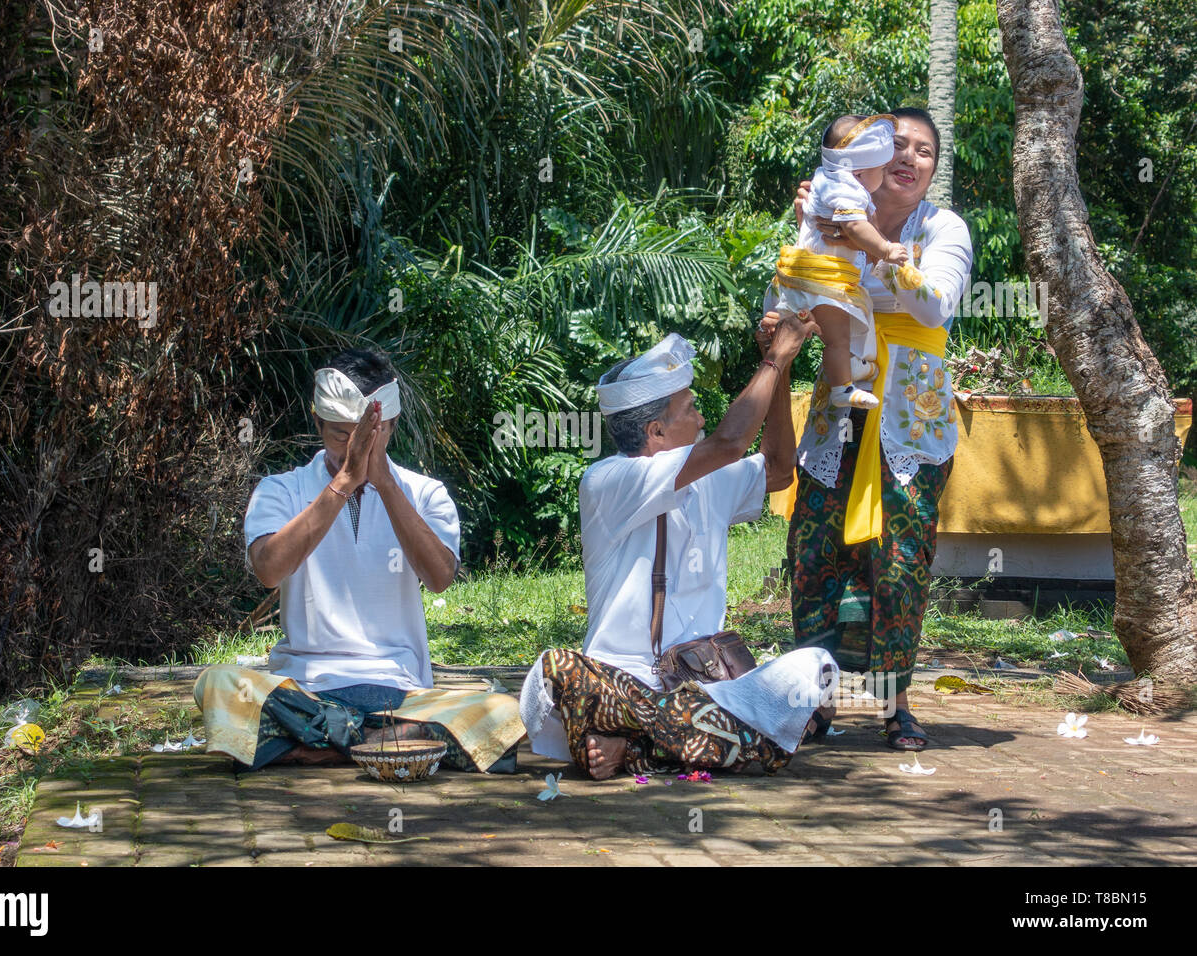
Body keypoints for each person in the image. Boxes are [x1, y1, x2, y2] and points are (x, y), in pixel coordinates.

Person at [519, 313, 838, 780]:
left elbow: (777, 469)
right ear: (656, 432)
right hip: (616, 687)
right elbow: (730, 441)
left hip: (703, 690)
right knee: (555, 669)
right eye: (690, 409)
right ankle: (703, 743)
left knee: (816, 672)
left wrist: (783, 369)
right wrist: (773, 358)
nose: (702, 417)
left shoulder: (711, 477)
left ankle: (633, 750)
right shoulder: (608, 480)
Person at [194, 349, 522, 772]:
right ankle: (381, 741)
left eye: (369, 435)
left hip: (401, 691)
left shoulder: (425, 493)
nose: (355, 447)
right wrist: (344, 482)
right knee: (219, 685)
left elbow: (440, 577)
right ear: (316, 422)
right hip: (306, 687)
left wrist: (383, 482)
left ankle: (318, 745)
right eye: (339, 434)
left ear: (392, 427)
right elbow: (269, 570)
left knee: (502, 710)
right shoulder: (281, 490)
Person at [767, 106, 974, 752]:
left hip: (911, 415)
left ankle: (896, 703)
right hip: (837, 406)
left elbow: (934, 303)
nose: (911, 160)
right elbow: (793, 283)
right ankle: (815, 700)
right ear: (873, 158)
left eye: (925, 152)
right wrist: (774, 324)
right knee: (815, 552)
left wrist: (868, 248)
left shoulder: (945, 228)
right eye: (899, 147)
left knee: (901, 559)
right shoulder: (829, 209)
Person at [763, 113, 909, 411]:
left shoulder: (826, 178)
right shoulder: (847, 190)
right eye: (881, 168)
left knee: (849, 319)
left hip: (807, 274)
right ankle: (842, 386)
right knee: (838, 338)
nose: (885, 173)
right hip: (824, 280)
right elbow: (854, 226)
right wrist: (885, 249)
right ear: (859, 173)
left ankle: (853, 365)